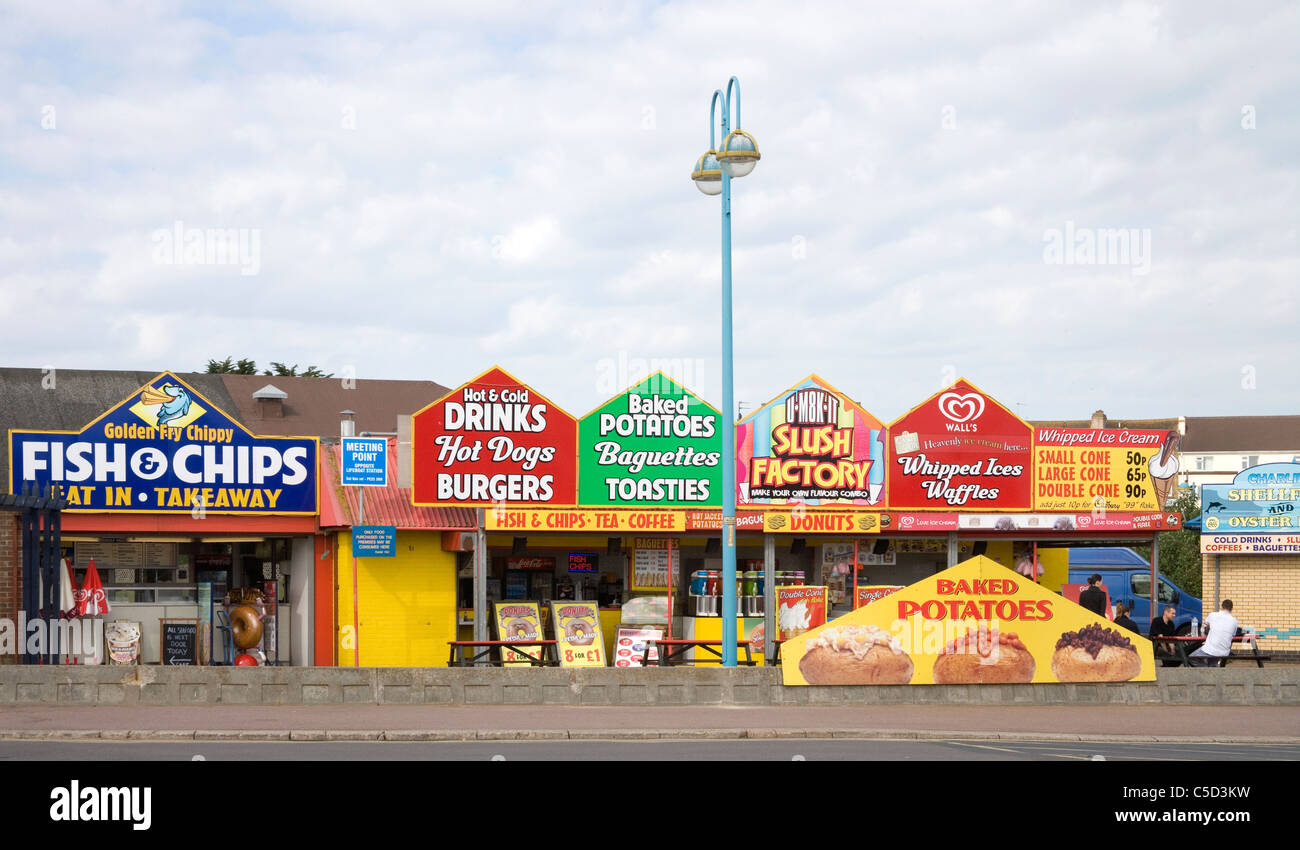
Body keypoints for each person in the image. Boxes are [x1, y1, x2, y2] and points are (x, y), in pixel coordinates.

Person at [1189, 600, 1239, 667]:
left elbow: (1206, 625)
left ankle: (1209, 671)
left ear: (1222, 607)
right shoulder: (1234, 621)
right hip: (1224, 651)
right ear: (1231, 609)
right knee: (1213, 663)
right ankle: (1212, 672)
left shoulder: (1213, 615)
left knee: (1191, 658)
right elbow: (1233, 635)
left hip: (1211, 648)